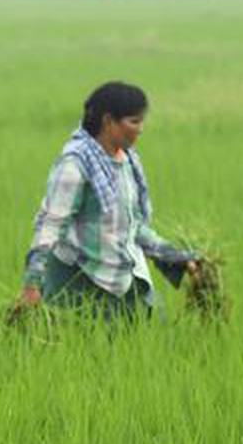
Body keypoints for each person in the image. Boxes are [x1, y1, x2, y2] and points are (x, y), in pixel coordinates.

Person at [16, 81, 198, 321]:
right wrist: (32, 284)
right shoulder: (75, 164)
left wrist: (175, 257)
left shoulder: (128, 161)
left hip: (123, 276)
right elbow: (51, 225)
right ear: (108, 121)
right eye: (134, 121)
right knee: (84, 350)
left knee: (144, 342)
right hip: (80, 283)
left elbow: (133, 227)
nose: (141, 129)